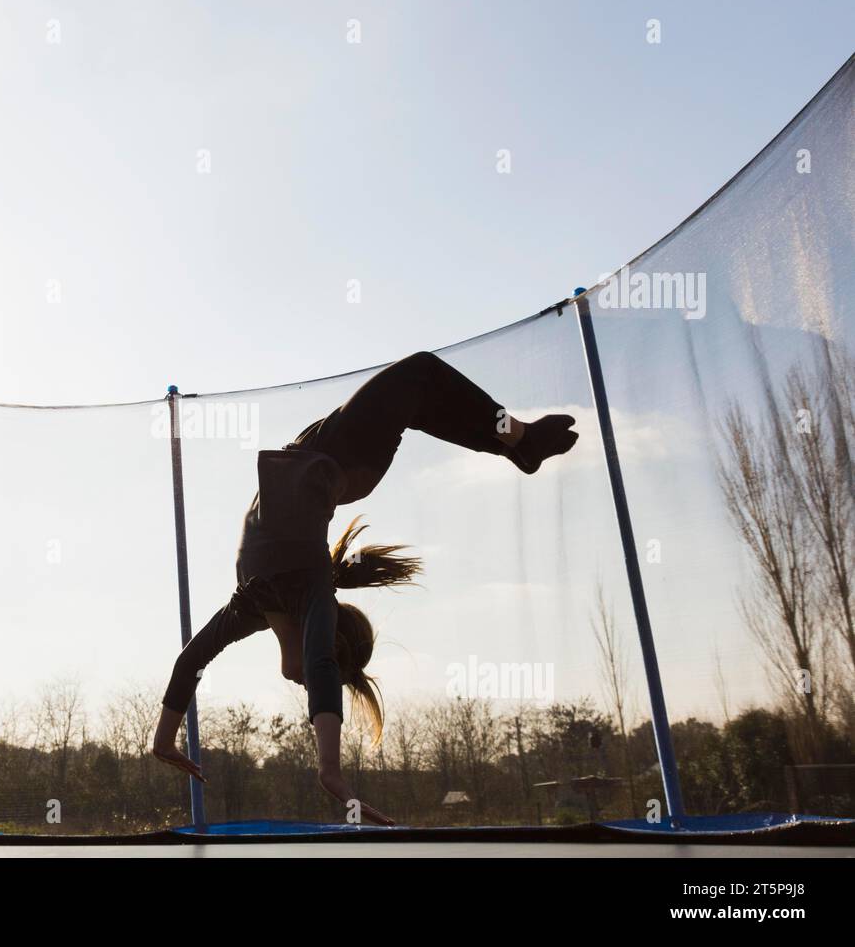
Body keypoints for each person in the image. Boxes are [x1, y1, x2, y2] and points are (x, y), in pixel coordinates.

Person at [152, 351, 579, 825]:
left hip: (332, 459)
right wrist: (329, 770)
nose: (298, 681)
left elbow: (191, 660)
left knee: (420, 396)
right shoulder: (312, 590)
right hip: (338, 454)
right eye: (317, 682)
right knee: (420, 375)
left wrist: (164, 739)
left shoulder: (248, 608)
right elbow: (317, 664)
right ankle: (520, 440)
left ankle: (517, 445)